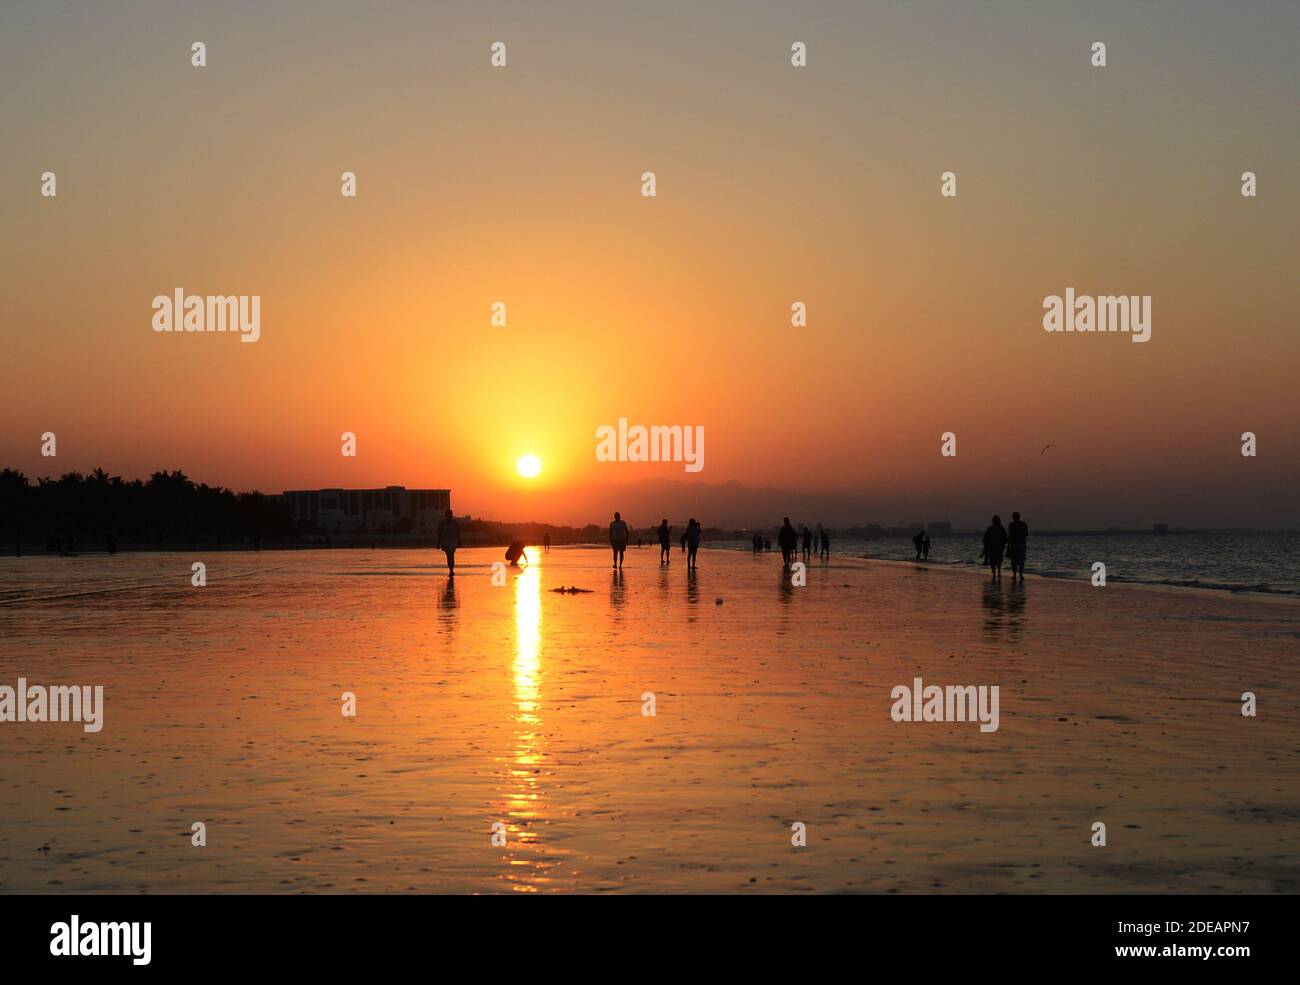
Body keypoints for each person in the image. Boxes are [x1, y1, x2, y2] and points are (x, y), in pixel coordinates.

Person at [436, 509, 461, 577]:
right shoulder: (442, 523)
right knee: (449, 556)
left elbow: (458, 533)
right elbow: (440, 533)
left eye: (449, 515)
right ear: (445, 515)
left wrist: (459, 542)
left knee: (451, 555)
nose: (448, 516)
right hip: (445, 541)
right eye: (447, 515)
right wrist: (438, 543)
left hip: (453, 541)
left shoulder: (455, 523)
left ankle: (451, 570)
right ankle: (451, 570)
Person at [982, 515, 1008, 580]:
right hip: (999, 547)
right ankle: (999, 572)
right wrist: (1003, 545)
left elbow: (985, 539)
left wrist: (985, 547)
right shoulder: (1001, 528)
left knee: (993, 561)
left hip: (992, 547)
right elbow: (1005, 538)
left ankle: (994, 574)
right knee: (998, 561)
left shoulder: (990, 528)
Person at [1007, 511, 1028, 581]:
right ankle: (1021, 574)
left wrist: (1008, 545)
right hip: (1022, 544)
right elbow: (1026, 534)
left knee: (1014, 561)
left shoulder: (1011, 525)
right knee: (1021, 560)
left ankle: (1014, 575)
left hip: (1014, 544)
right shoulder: (1023, 524)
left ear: (1013, 517)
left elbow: (1010, 536)